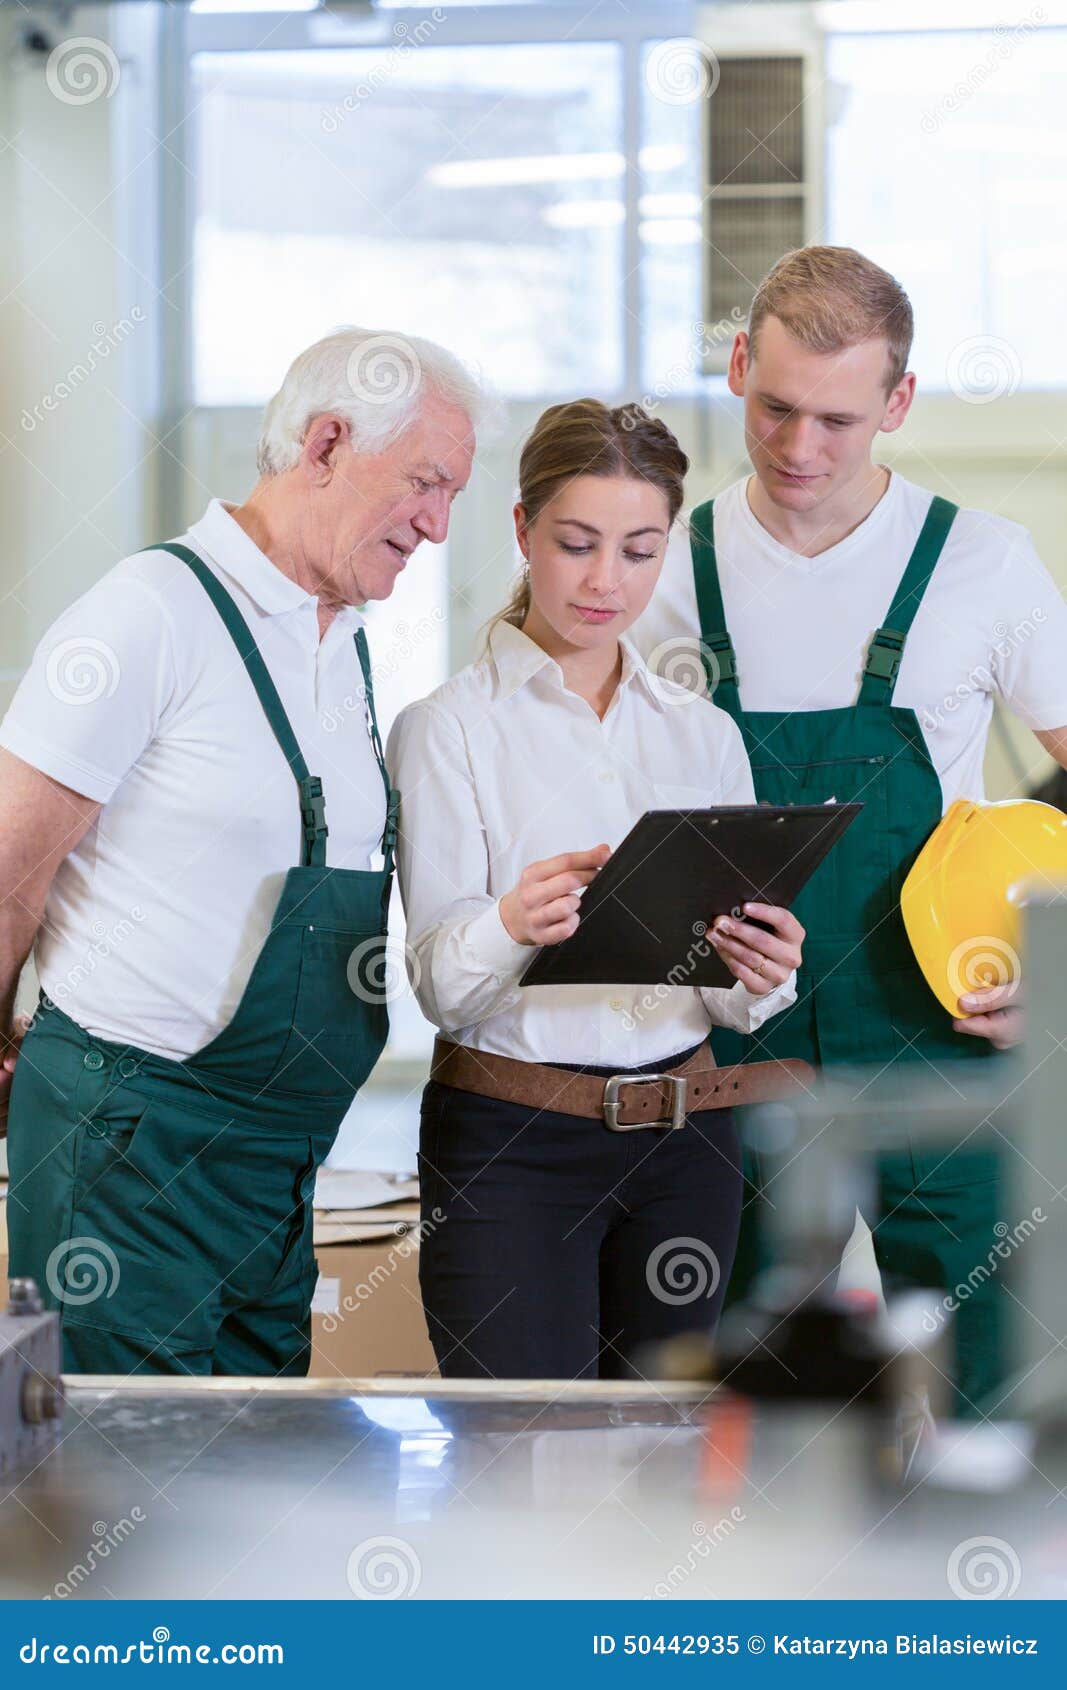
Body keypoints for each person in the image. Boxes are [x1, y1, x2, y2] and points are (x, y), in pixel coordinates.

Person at [630, 245, 1067, 1412]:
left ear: (897, 401)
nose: (799, 448)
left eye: (837, 419)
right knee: (740, 1387)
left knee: (986, 1382)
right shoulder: (660, 570)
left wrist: (1059, 965)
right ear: (736, 364)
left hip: (942, 1039)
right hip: (727, 1043)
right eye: (775, 408)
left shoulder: (980, 563)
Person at [0, 327, 483, 1375]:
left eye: (453, 495)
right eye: (425, 483)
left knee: (254, 1464)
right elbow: (7, 873)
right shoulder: (147, 614)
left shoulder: (339, 643)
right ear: (325, 444)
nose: (438, 524)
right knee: (121, 1465)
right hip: (131, 1151)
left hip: (278, 1170)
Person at [387, 399, 806, 1380]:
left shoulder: (702, 734)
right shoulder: (446, 729)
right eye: (576, 544)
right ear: (522, 529)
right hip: (510, 1148)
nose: (604, 580)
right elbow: (442, 991)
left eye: (638, 550)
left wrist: (762, 970)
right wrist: (509, 922)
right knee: (520, 1447)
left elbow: (730, 1002)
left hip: (688, 1147)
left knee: (665, 1447)